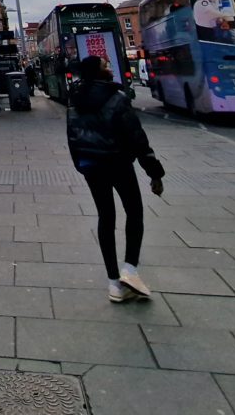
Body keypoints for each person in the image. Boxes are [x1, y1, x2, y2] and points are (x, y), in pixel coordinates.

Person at [66, 55, 165, 303]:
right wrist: (154, 172)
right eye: (105, 65)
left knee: (105, 217)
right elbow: (136, 137)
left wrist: (80, 163)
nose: (108, 68)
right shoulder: (117, 98)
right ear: (99, 73)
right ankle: (129, 270)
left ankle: (113, 283)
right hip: (119, 162)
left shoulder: (75, 100)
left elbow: (73, 135)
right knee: (134, 212)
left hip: (91, 165)